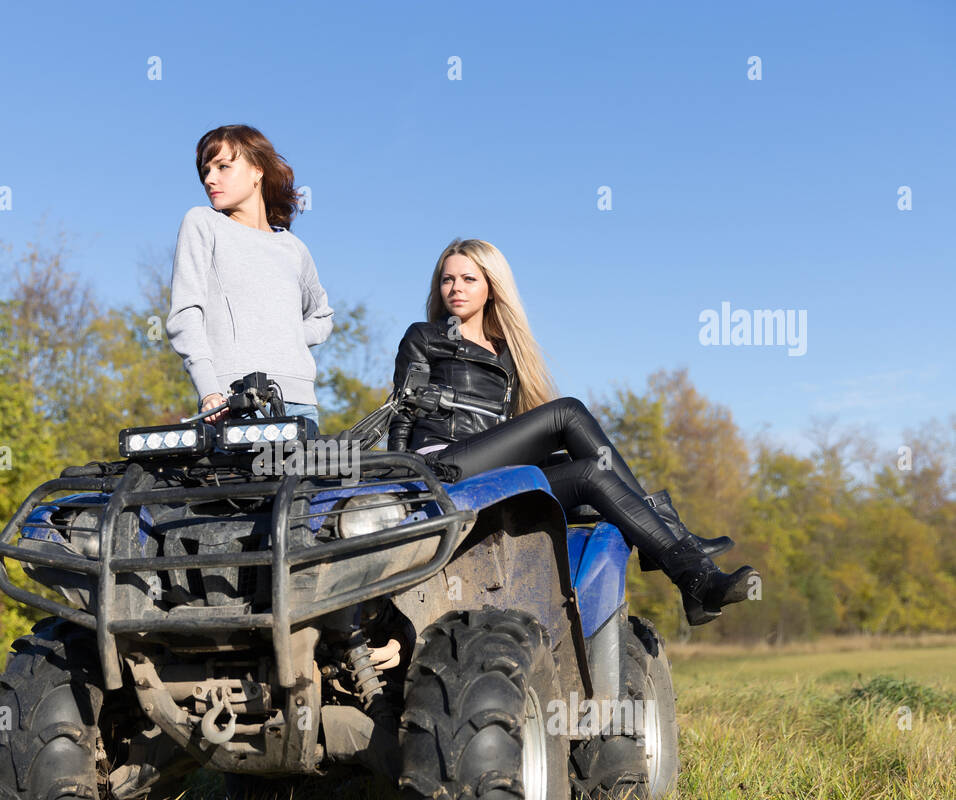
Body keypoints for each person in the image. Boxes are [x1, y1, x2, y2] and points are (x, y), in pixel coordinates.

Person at [387, 238, 757, 626]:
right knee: (568, 413)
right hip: (445, 468)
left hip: (493, 473)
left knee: (593, 472)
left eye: (468, 279)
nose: (456, 288)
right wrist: (408, 486)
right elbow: (402, 416)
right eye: (448, 280)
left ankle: (695, 581)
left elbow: (502, 434)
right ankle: (677, 535)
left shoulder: (507, 353)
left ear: (491, 287)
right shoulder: (423, 337)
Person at [166, 125, 332, 435]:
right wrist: (208, 390)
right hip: (233, 402)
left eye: (223, 166)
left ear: (257, 171)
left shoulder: (292, 248)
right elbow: (185, 315)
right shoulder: (202, 223)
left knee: (300, 485)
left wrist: (289, 335)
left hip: (299, 404)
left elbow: (322, 315)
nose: (209, 179)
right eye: (206, 170)